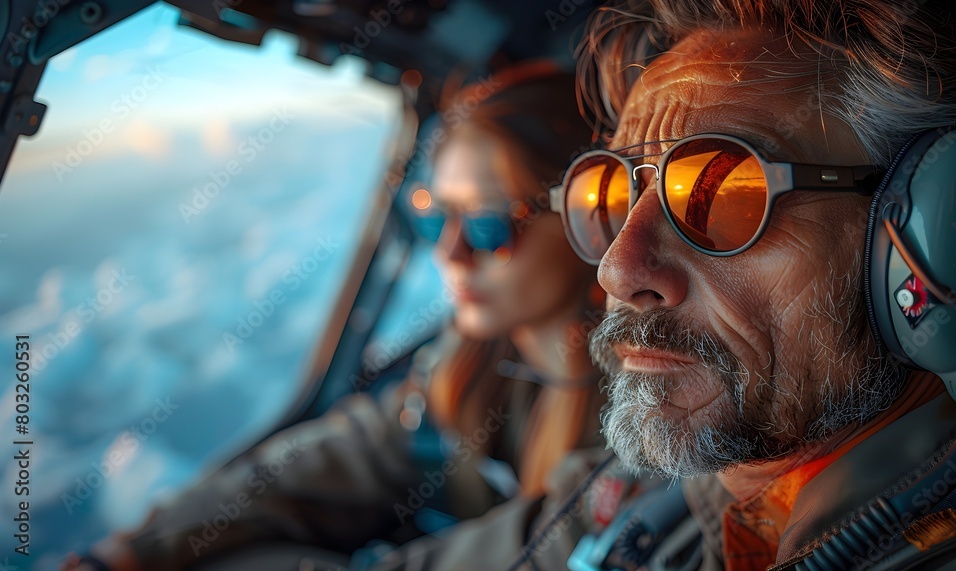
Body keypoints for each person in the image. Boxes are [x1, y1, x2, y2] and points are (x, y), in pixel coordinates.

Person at [357, 0, 956, 570]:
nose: (617, 269)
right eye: (611, 195)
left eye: (724, 197)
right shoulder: (652, 496)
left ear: (921, 240)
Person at [60, 60, 607, 571]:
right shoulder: (465, 365)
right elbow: (350, 453)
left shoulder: (636, 415)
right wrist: (133, 553)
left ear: (591, 220)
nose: (450, 252)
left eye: (489, 224)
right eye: (436, 217)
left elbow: (549, 546)